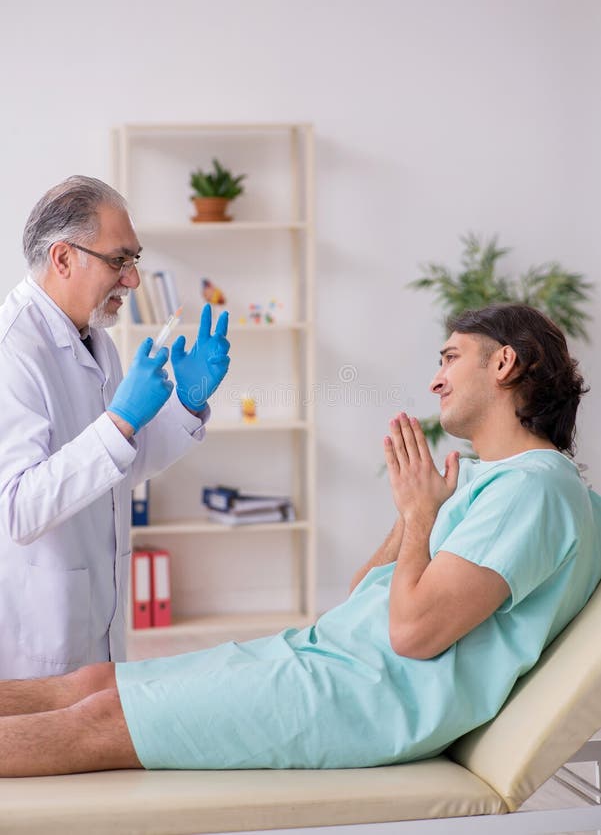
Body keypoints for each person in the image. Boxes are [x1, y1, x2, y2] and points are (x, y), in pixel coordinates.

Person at [1, 303, 600, 778]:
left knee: (102, 717)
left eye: (450, 359)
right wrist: (411, 513)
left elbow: (413, 634)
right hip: (329, 659)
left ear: (504, 365)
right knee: (94, 681)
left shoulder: (535, 490)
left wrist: (420, 518)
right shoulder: (490, 480)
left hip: (362, 700)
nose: (436, 380)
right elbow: (369, 595)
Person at [0, 175, 230, 679]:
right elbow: (17, 509)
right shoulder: (12, 348)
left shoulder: (96, 339)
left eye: (135, 260)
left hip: (97, 622)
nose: (133, 280)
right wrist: (120, 420)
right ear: (63, 258)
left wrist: (186, 405)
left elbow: (119, 466)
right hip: (38, 639)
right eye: (118, 260)